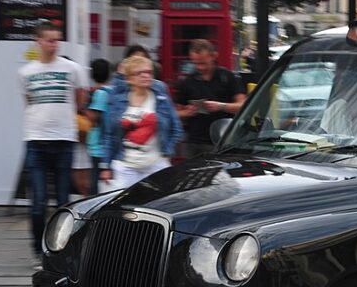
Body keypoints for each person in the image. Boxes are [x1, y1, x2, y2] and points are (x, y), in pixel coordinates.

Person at [20, 22, 88, 260]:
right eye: (49, 40)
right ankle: (38, 249)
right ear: (37, 41)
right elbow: (28, 100)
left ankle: (61, 248)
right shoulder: (25, 72)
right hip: (36, 140)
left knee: (62, 200)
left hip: (63, 139)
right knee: (37, 201)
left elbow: (80, 100)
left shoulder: (73, 69)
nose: (53, 45)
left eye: (57, 40)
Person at [100, 54, 182, 189]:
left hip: (155, 165)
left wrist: (166, 151)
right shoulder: (117, 101)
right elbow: (109, 136)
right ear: (129, 79)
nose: (146, 76)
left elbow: (176, 129)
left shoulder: (161, 100)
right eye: (139, 73)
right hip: (125, 167)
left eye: (149, 72)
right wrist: (106, 166)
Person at [173, 38, 246, 158]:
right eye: (195, 63)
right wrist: (188, 112)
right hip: (195, 142)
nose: (199, 67)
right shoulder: (187, 81)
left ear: (213, 56)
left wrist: (221, 106)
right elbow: (176, 114)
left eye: (203, 63)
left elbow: (243, 106)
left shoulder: (227, 77)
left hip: (224, 140)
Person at [84, 58, 112, 194]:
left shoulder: (100, 93)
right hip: (104, 145)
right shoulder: (111, 91)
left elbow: (94, 117)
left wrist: (83, 107)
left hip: (98, 146)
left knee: (96, 186)